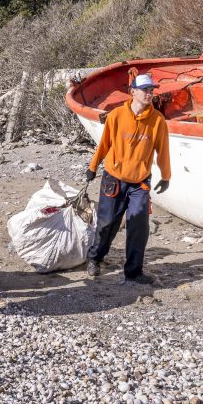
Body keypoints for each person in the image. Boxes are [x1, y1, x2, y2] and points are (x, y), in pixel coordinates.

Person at [85, 73, 171, 285]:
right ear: (132, 92)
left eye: (152, 90)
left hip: (140, 182)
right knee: (107, 223)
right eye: (145, 90)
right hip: (113, 179)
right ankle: (95, 258)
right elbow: (104, 144)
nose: (149, 94)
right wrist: (92, 167)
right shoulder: (116, 116)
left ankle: (133, 271)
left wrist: (166, 176)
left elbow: (163, 151)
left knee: (138, 225)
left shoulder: (158, 121)